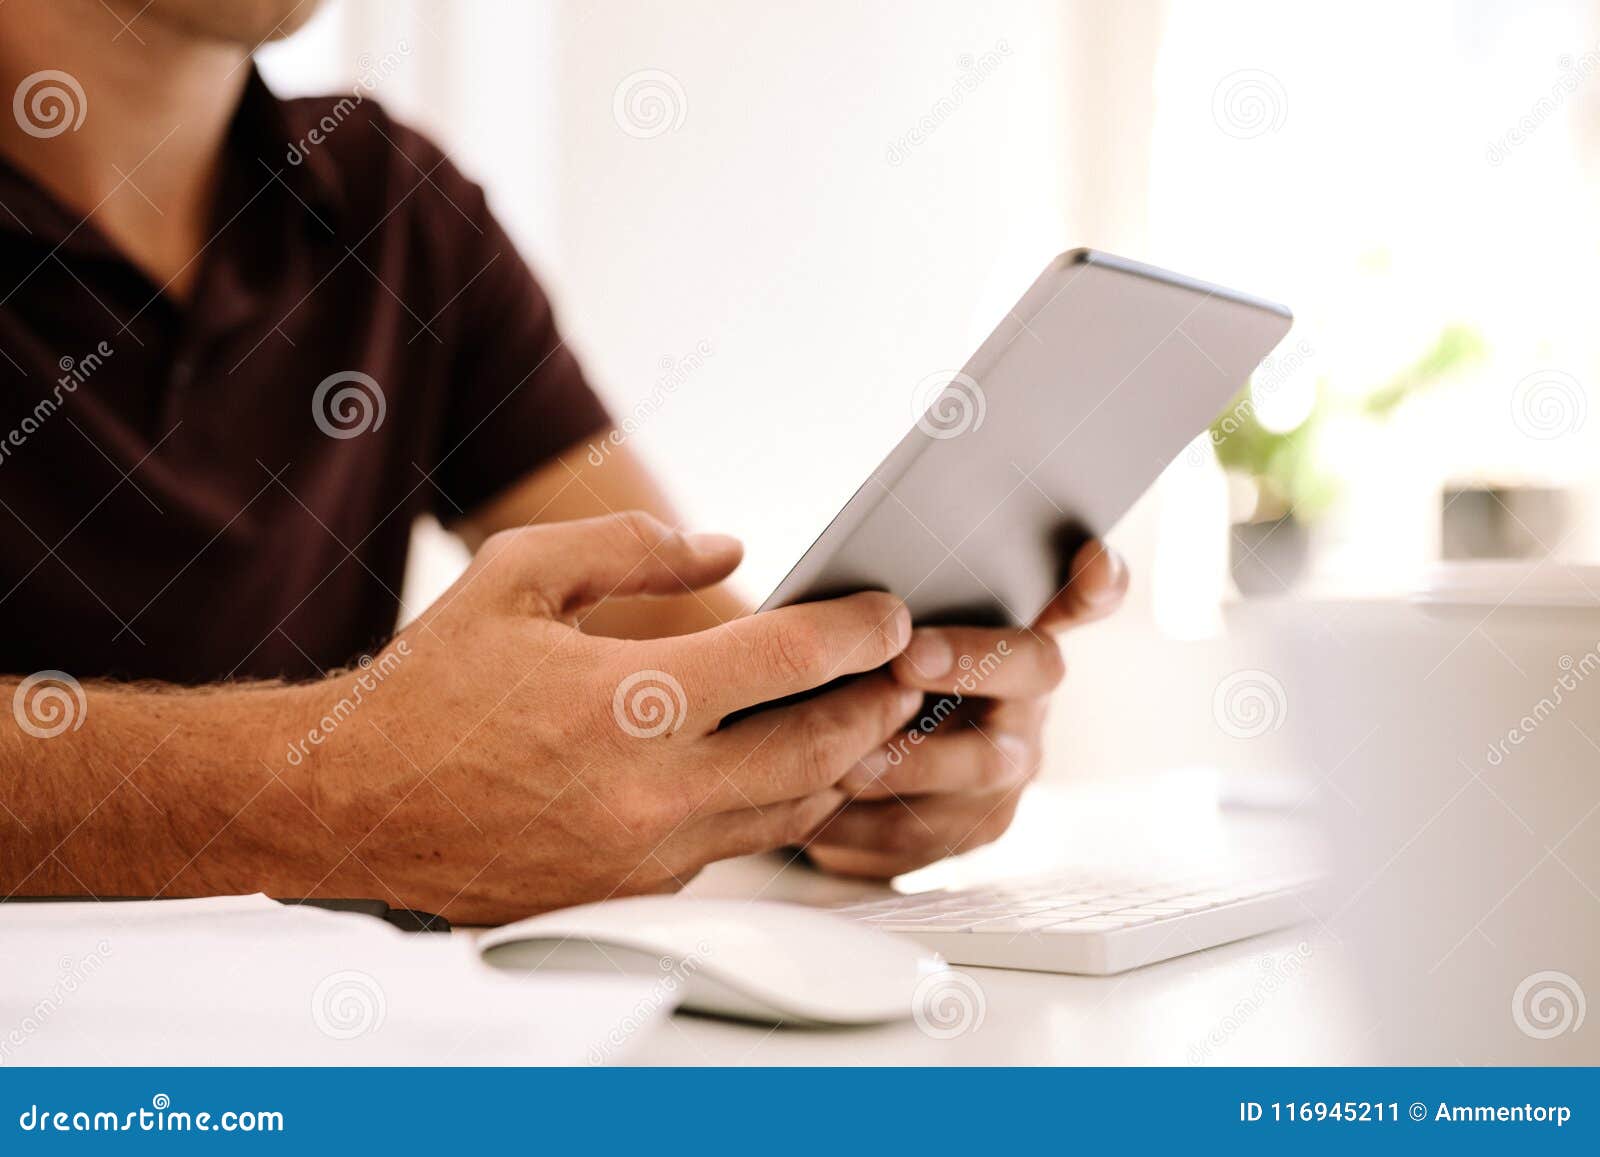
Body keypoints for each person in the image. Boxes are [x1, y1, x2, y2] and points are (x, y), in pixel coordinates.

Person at [0, 0, 1127, 923]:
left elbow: (667, 634)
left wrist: (857, 737)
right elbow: (366, 785)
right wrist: (335, 789)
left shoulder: (393, 208)